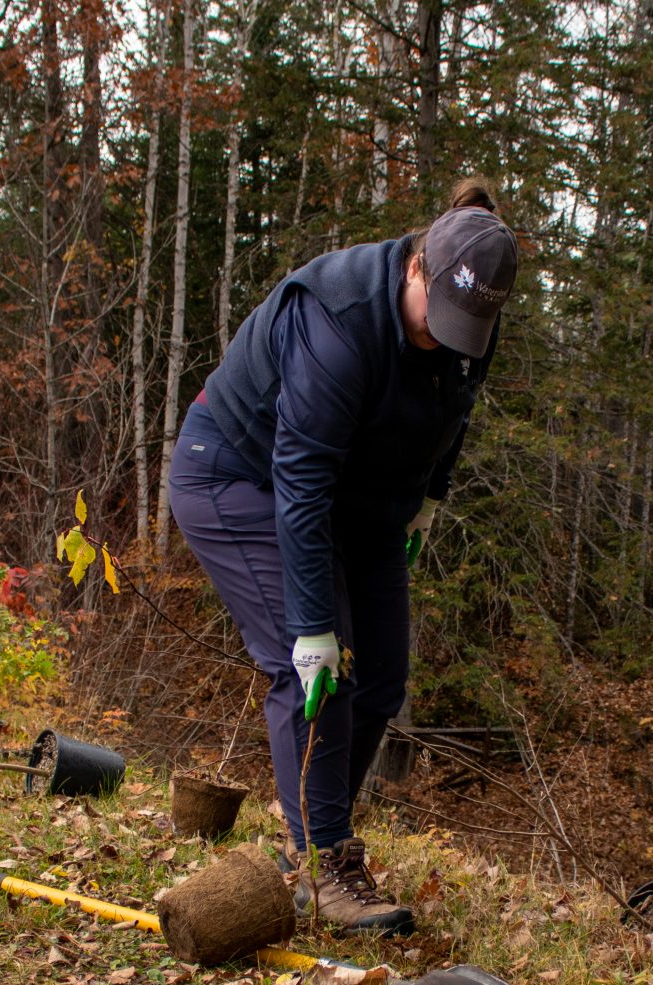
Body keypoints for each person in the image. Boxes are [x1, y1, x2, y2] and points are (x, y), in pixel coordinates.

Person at [168, 178, 519, 936]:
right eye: (437, 317)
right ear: (417, 266)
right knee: (320, 673)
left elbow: (452, 416)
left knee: (381, 678)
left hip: (358, 500)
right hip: (239, 473)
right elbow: (299, 481)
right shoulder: (337, 319)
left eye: (465, 328)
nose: (445, 339)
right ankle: (322, 862)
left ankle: (314, 838)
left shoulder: (469, 327)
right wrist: (311, 628)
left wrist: (429, 499)